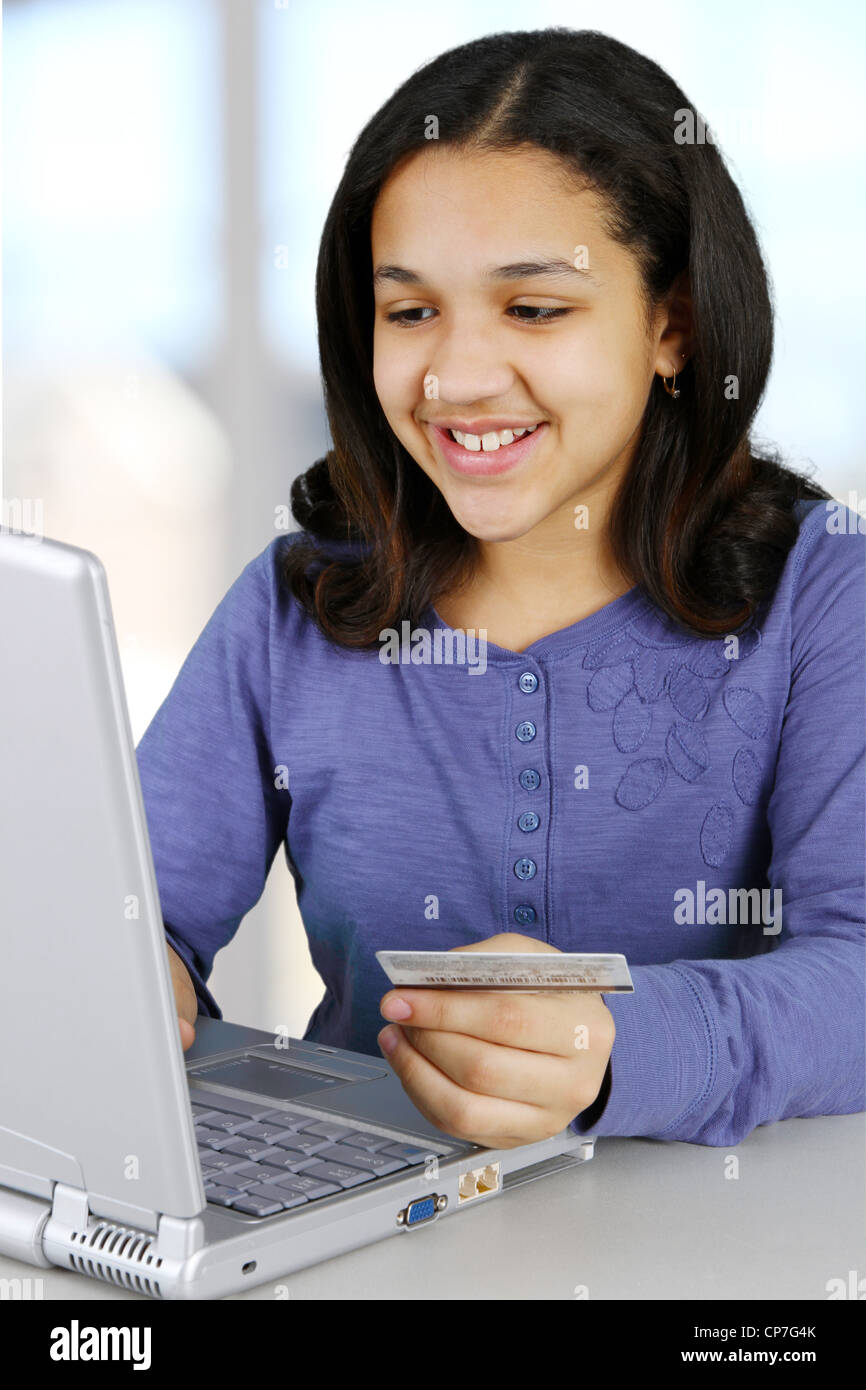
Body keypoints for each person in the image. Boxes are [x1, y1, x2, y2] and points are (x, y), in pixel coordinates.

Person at [139, 27, 865, 1149]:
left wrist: (622, 1044)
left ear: (669, 323)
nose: (457, 379)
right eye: (410, 310)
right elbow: (133, 919)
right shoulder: (295, 602)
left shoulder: (823, 596)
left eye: (533, 308)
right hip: (358, 1231)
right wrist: (128, 987)